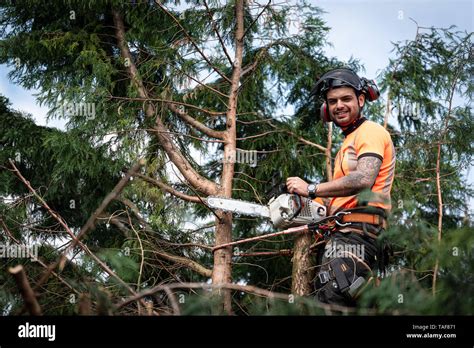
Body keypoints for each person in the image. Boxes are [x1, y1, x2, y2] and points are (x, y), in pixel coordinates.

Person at [286, 68, 396, 306]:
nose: (339, 106)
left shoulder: (371, 131)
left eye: (346, 99)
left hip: (359, 234)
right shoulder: (347, 144)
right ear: (326, 108)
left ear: (361, 99)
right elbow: (335, 201)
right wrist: (305, 207)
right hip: (344, 235)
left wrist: (311, 188)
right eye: (332, 101)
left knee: (335, 289)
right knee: (329, 296)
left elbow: (364, 178)